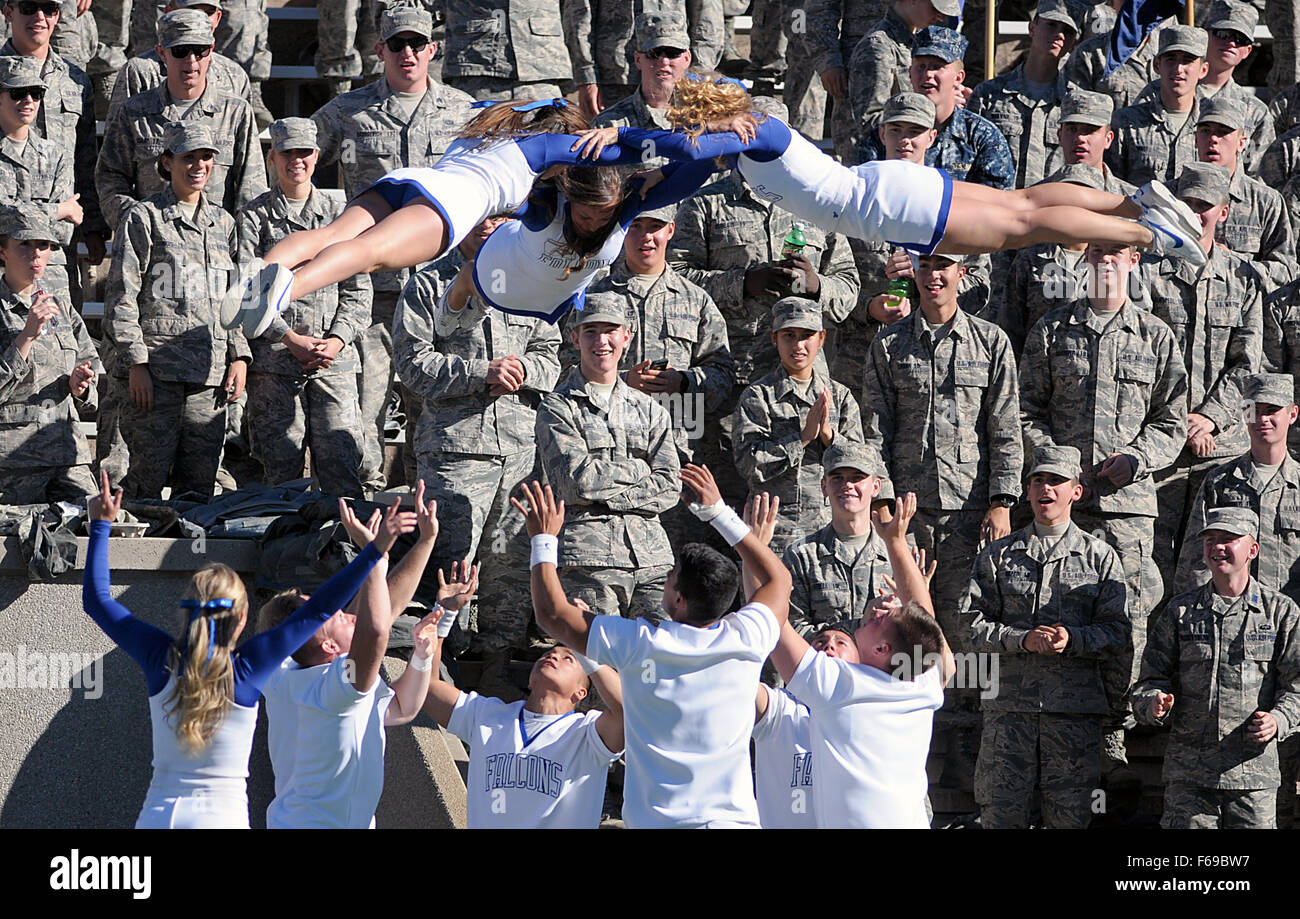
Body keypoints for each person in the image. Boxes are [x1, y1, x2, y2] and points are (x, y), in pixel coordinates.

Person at [80, 470, 407, 828]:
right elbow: (320, 609)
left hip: (158, 818)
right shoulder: (248, 668)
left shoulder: (160, 657)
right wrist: (375, 551)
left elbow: (96, 601)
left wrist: (101, 525)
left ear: (186, 608)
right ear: (242, 618)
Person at [515, 464, 792, 828]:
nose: (665, 579)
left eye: (671, 576)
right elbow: (779, 579)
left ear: (679, 601)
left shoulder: (640, 642)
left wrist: (543, 537)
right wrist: (718, 512)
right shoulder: (749, 637)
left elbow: (551, 615)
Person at [1019, 237, 1190, 775]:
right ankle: (1059, 737)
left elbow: (1172, 418)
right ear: (1084, 260)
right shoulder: (1050, 331)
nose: (1106, 260)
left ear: (1135, 260)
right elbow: (1025, 410)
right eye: (1096, 252)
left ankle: (1115, 739)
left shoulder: (1155, 335)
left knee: (1126, 617)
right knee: (1056, 610)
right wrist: (1062, 468)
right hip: (1061, 506)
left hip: (1127, 509)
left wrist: (1139, 460)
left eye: (1117, 252)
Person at [962, 445, 1130, 828]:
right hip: (1008, 715)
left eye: (1056, 480)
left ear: (1076, 491)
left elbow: (1118, 634)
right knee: (1001, 817)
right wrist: (1021, 639)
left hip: (1073, 718)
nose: (1045, 489)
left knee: (1071, 821)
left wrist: (1073, 640)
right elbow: (970, 626)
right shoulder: (998, 556)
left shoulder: (1100, 556)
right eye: (1037, 480)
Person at [260, 489, 446, 829]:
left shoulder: (287, 670)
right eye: (339, 618)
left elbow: (401, 707)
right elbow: (375, 632)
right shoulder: (334, 689)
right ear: (329, 647)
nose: (347, 614)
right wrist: (374, 555)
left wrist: (424, 541)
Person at [767, 489, 952, 828]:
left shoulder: (837, 684)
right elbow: (928, 626)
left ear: (883, 650)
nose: (878, 610)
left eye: (882, 619)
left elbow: (771, 621)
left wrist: (748, 543)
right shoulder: (925, 684)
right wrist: (896, 543)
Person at [103, 121, 247, 500]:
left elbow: (233, 299)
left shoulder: (225, 224)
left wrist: (239, 356)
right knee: (144, 484)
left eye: (206, 158)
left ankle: (189, 560)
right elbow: (121, 297)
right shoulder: (143, 218)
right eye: (188, 158)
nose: (198, 165)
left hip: (208, 375)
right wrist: (136, 363)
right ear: (167, 163)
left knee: (199, 490)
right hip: (156, 376)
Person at [1132, 506, 1300, 829]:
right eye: (1210, 539)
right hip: (1190, 778)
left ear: (1252, 549)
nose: (1216, 547)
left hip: (1252, 776)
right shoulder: (1180, 612)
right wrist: (1153, 703)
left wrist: (1279, 720)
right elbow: (1148, 679)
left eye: (1228, 539)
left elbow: (1297, 685)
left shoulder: (1280, 613)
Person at [236, 117, 371, 498]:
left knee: (342, 470)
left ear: (317, 156)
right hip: (276, 366)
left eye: (305, 152)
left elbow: (359, 290)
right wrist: (289, 338)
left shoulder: (343, 214)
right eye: (287, 153)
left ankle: (345, 552)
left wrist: (337, 341)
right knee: (279, 478)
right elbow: (247, 293)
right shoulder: (253, 218)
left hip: (334, 365)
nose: (297, 160)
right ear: (272, 158)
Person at [423, 575, 625, 828]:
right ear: (530, 680)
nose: (553, 655)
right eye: (549, 652)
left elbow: (627, 712)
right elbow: (428, 689)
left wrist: (586, 645)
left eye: (568, 658)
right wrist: (445, 613)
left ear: (580, 693)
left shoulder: (587, 734)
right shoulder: (486, 715)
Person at [535, 294, 680, 621]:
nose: (601, 340)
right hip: (589, 560)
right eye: (590, 331)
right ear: (575, 338)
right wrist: (643, 470)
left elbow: (671, 486)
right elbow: (577, 484)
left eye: (610, 330)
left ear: (626, 336)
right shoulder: (558, 408)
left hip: (653, 560)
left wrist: (606, 493)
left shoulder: (650, 410)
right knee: (599, 663)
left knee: (660, 658)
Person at [94, 9, 266, 230]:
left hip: (216, 248)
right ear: (162, 53)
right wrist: (137, 224)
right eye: (180, 51)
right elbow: (111, 176)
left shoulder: (235, 112)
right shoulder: (135, 111)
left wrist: (238, 244)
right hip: (152, 247)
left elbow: (251, 187)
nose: (191, 60)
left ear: (211, 51)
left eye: (200, 50)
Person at [732, 297, 865, 555]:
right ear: (774, 338)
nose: (798, 345)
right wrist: (801, 438)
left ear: (822, 338)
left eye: (807, 335)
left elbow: (861, 466)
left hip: (829, 531)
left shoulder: (840, 396)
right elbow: (748, 464)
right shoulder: (758, 396)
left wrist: (828, 435)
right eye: (789, 335)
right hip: (774, 533)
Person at [0, 205, 100, 504]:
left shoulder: (61, 308)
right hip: (15, 459)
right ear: (2, 251)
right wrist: (27, 335)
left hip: (68, 454)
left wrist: (80, 386)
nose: (35, 254)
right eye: (24, 245)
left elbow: (89, 372)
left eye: (43, 245)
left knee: (98, 523)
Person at [782, 443, 897, 637]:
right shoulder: (801, 557)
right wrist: (859, 625)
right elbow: (792, 631)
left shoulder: (896, 552)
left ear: (876, 487)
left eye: (857, 478)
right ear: (824, 487)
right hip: (826, 665)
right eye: (837, 478)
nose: (847, 485)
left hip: (884, 666)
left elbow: (918, 626)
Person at [967, 0, 1078, 189]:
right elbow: (968, 158)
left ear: (1073, 43)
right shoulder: (988, 95)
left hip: (1050, 210)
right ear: (1032, 28)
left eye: (1067, 31)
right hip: (997, 208)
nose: (1059, 35)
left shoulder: (1074, 103)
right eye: (1051, 25)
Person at [0, 55, 79, 299]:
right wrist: (57, 210)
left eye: (36, 93)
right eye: (18, 93)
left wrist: (15, 217)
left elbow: (64, 232)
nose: (29, 101)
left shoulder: (56, 155)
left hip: (49, 275)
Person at [107, 0, 250, 116]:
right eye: (191, 10)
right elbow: (117, 141)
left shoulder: (234, 75)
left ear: (218, 18)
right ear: (169, 12)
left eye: (209, 12)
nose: (201, 18)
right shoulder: (139, 72)